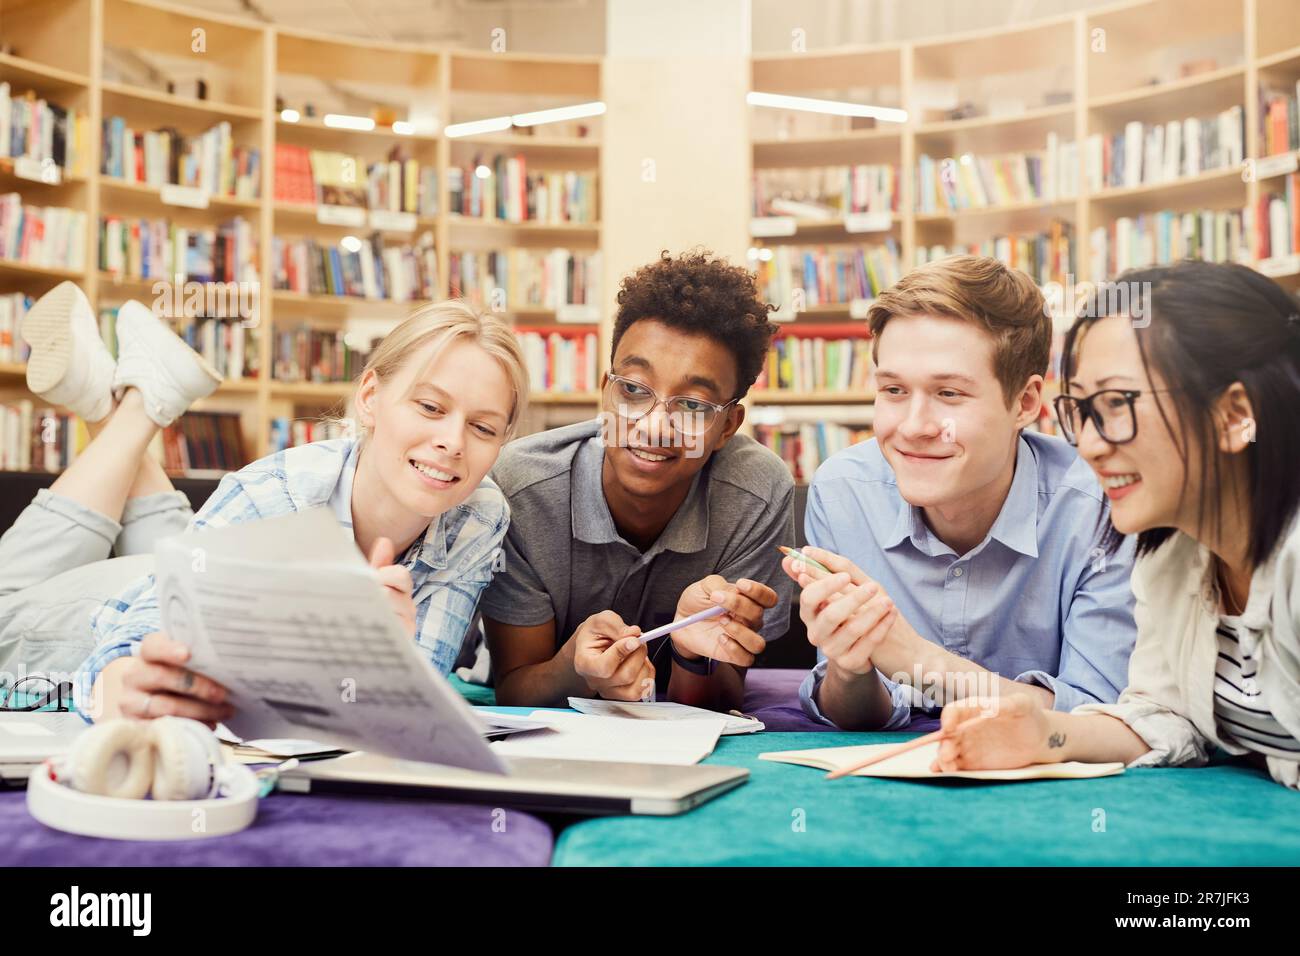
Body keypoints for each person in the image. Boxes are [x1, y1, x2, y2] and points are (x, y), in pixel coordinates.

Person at [0, 283, 527, 725]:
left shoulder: (479, 515)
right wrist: (127, 691)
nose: (454, 442)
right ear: (369, 397)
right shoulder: (275, 491)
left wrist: (375, 665)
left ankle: (114, 404)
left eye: (483, 427)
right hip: (83, 614)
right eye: (430, 406)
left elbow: (411, 692)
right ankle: (136, 407)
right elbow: (118, 657)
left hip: (188, 568)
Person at [931, 260, 1300, 790]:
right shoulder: (1174, 558)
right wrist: (1043, 735)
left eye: (1116, 403)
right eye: (1080, 408)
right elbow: (1165, 713)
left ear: (1235, 415)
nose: (1090, 443)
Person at [785, 255, 1137, 730]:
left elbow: (1102, 719)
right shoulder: (844, 493)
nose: (912, 428)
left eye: (949, 394)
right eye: (893, 390)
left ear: (1025, 403)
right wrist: (852, 666)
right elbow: (853, 712)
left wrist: (914, 660)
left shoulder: (1100, 509)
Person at [481, 250, 794, 712]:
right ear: (603, 390)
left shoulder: (757, 493)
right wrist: (575, 665)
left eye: (692, 406)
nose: (652, 426)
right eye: (632, 390)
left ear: (728, 427)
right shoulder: (522, 486)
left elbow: (720, 699)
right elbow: (514, 689)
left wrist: (691, 653)